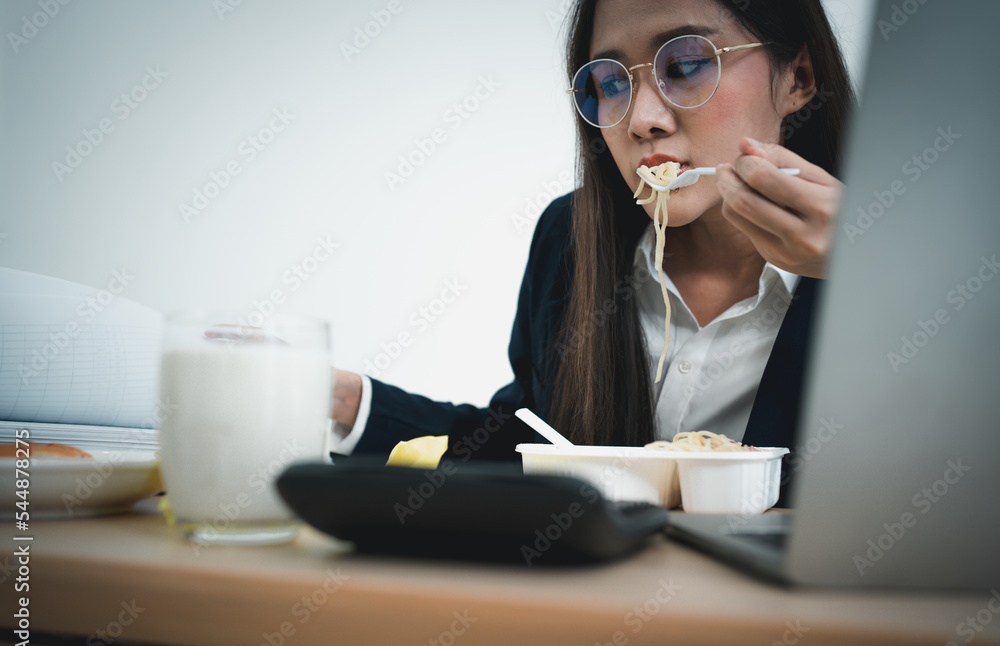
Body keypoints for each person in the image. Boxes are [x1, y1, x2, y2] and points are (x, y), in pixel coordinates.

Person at [330, 0, 854, 501]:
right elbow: (531, 441)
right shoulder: (569, 237)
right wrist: (352, 405)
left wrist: (870, 273)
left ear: (798, 78)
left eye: (688, 64)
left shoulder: (890, 260)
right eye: (610, 83)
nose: (641, 120)